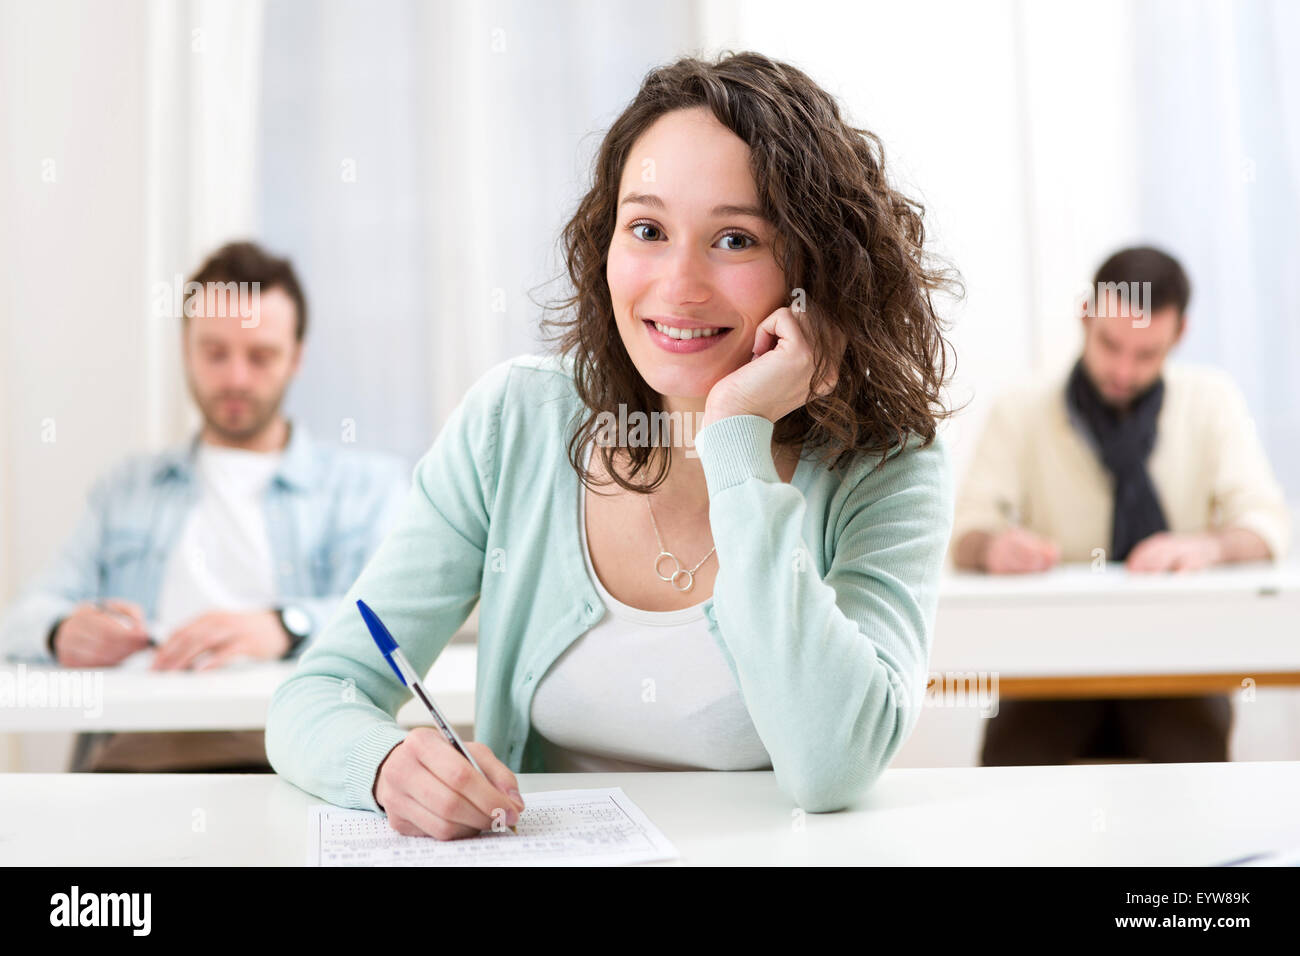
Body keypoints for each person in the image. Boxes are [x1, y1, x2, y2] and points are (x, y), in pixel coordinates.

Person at [266, 51, 959, 840]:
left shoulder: (888, 465)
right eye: (648, 229)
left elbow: (831, 764)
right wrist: (385, 764)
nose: (679, 284)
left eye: (735, 239)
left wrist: (735, 438)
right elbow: (318, 692)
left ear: (816, 266)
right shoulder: (514, 422)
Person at [0, 241, 409, 771]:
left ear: (297, 357)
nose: (236, 378)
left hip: (312, 752)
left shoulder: (366, 488)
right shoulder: (125, 489)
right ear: (185, 348)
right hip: (140, 756)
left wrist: (286, 626)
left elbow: (396, 621)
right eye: (215, 353)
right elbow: (20, 619)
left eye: (260, 356)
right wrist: (60, 632)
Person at [950, 245, 1291, 765]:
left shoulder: (1211, 400)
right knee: (1011, 775)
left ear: (1180, 335)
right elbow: (967, 532)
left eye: (1147, 353)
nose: (1124, 372)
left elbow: (1267, 525)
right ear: (1085, 317)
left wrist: (1209, 546)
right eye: (1110, 345)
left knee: (1191, 782)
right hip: (1049, 663)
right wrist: (992, 547)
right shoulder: (1022, 408)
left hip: (1180, 658)